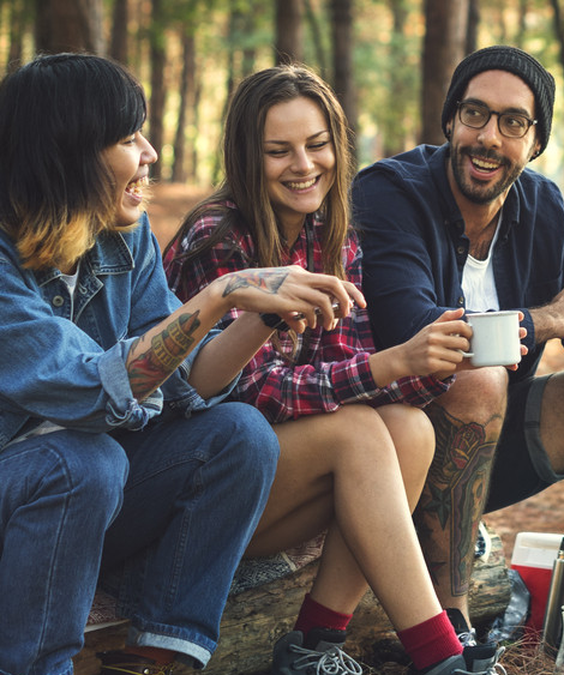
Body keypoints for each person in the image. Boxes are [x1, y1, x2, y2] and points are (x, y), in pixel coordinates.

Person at [0, 54, 368, 675]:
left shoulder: (124, 236)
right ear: (64, 153)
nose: (149, 153)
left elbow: (187, 380)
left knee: (238, 435)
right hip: (29, 487)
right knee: (83, 459)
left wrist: (263, 310)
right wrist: (217, 295)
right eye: (126, 139)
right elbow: (92, 389)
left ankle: (154, 660)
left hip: (97, 491)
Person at [164, 65, 502, 675]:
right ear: (246, 155)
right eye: (278, 151)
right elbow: (244, 393)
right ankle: (441, 659)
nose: (304, 165)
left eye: (317, 145)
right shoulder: (218, 238)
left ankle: (312, 647)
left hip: (288, 484)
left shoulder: (332, 229)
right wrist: (384, 366)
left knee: (409, 427)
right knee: (358, 431)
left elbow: (348, 368)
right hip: (210, 484)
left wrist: (435, 360)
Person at [351, 44, 564, 657]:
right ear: (450, 121)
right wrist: (551, 318)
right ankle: (451, 621)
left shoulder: (541, 204)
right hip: (392, 453)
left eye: (513, 123)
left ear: (535, 142)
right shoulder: (390, 192)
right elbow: (420, 332)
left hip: (490, 452)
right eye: (475, 114)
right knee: (478, 376)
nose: (489, 137)